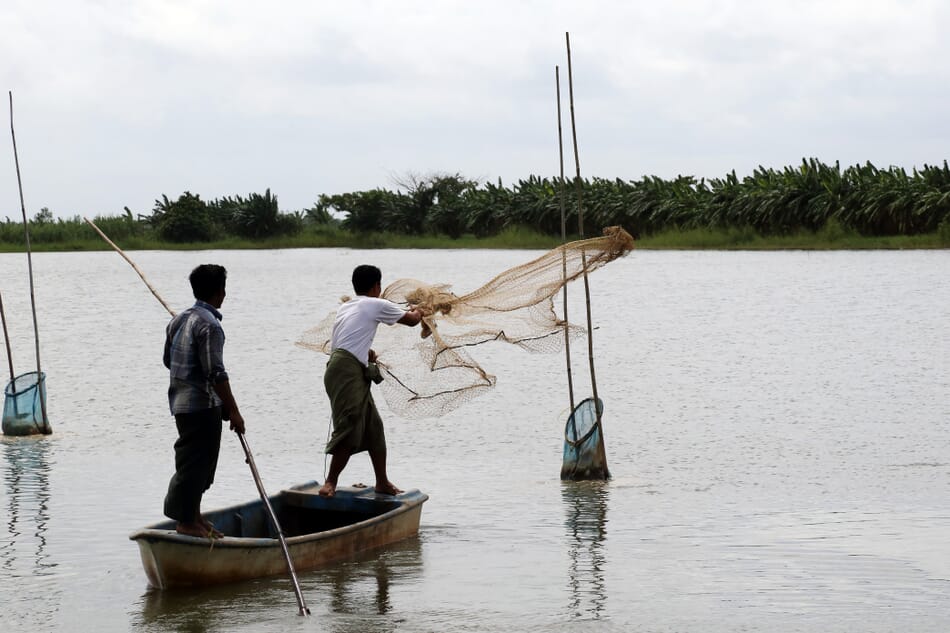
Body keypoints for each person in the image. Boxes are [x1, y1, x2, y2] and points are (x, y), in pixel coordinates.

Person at [318, 264, 423, 497]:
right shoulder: (376, 303)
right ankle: (330, 482)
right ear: (377, 286)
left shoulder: (347, 306)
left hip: (343, 367)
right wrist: (420, 310)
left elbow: (345, 339)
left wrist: (366, 353)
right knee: (351, 425)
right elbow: (412, 320)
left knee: (374, 427)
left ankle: (382, 482)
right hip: (345, 371)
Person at [162, 264, 245, 538]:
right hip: (200, 405)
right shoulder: (210, 326)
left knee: (199, 463)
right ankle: (185, 522)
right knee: (196, 464)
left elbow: (168, 361)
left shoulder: (178, 320)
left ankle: (194, 516)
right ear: (220, 292)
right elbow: (215, 372)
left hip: (181, 404)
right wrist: (233, 410)